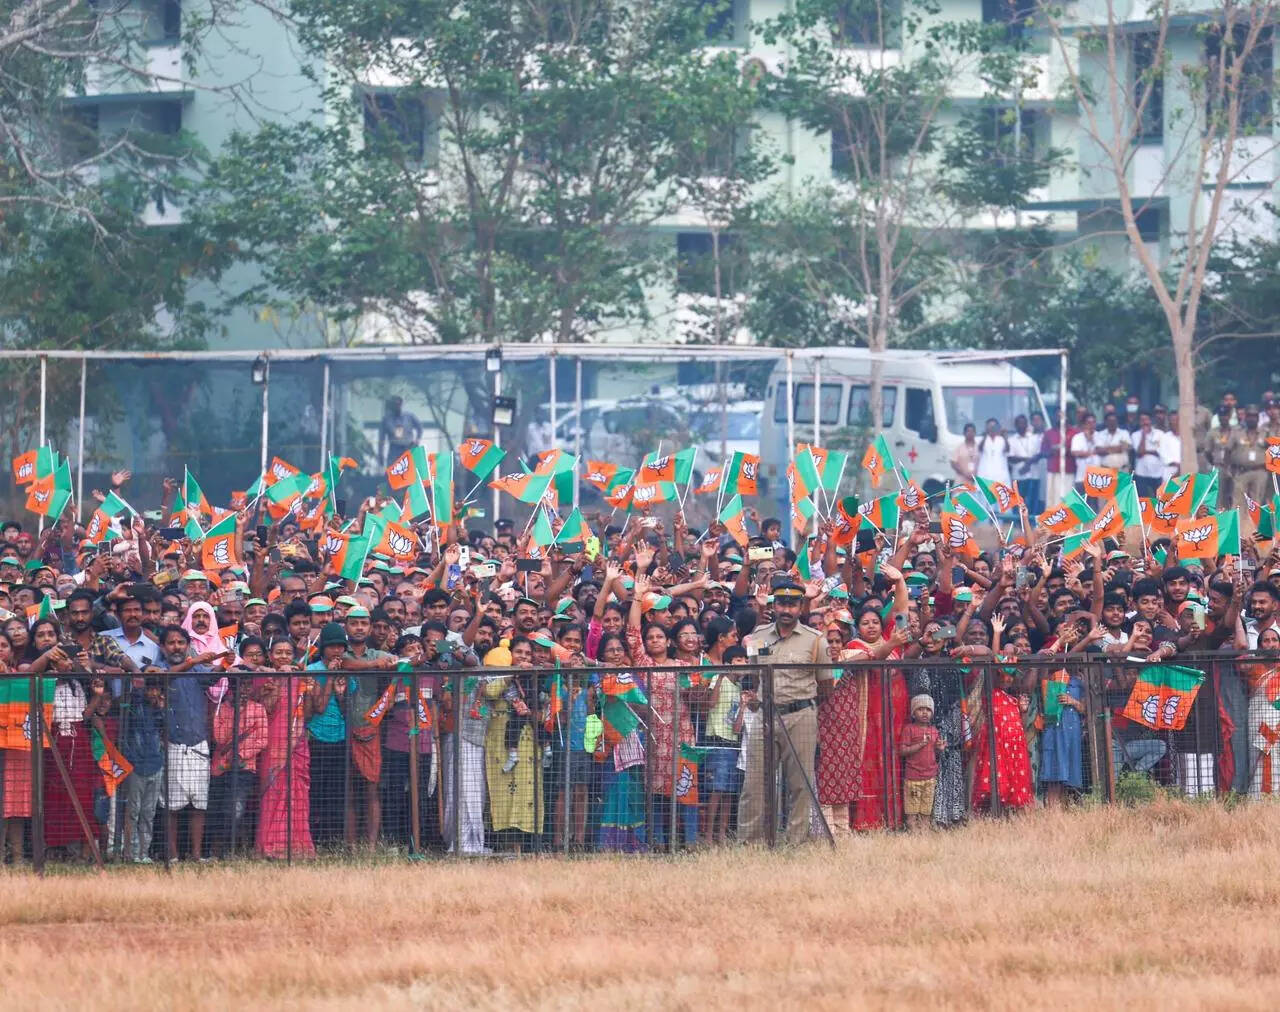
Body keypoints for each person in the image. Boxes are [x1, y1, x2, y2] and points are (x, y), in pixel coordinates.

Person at [741, 578, 831, 845]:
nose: (787, 609)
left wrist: (804, 707)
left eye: (793, 604)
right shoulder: (757, 637)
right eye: (782, 603)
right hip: (764, 715)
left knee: (800, 783)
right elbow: (753, 675)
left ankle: (796, 842)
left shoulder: (816, 641)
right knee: (755, 783)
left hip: (801, 715)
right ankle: (751, 844)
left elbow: (826, 685)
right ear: (774, 604)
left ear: (801, 606)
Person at [898, 694, 943, 832]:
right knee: (912, 810)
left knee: (926, 810)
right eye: (920, 709)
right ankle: (913, 833)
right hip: (913, 779)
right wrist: (920, 744)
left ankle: (924, 834)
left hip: (930, 777)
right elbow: (902, 751)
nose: (924, 712)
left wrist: (939, 748)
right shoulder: (909, 729)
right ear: (913, 712)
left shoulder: (934, 731)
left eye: (928, 710)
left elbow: (936, 754)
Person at [379, 396, 422, 468]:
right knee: (393, 472)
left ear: (401, 405)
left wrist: (417, 441)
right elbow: (381, 439)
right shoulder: (386, 419)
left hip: (408, 448)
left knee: (410, 473)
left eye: (399, 404)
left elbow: (420, 428)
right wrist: (380, 454)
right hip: (394, 450)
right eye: (395, 404)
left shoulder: (409, 416)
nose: (397, 406)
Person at [976, 417, 1011, 487]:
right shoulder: (982, 439)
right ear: (986, 427)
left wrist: (1005, 437)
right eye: (989, 426)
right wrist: (985, 435)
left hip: (1000, 474)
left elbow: (1007, 450)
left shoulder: (1002, 439)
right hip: (985, 473)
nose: (992, 428)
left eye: (993, 426)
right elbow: (979, 449)